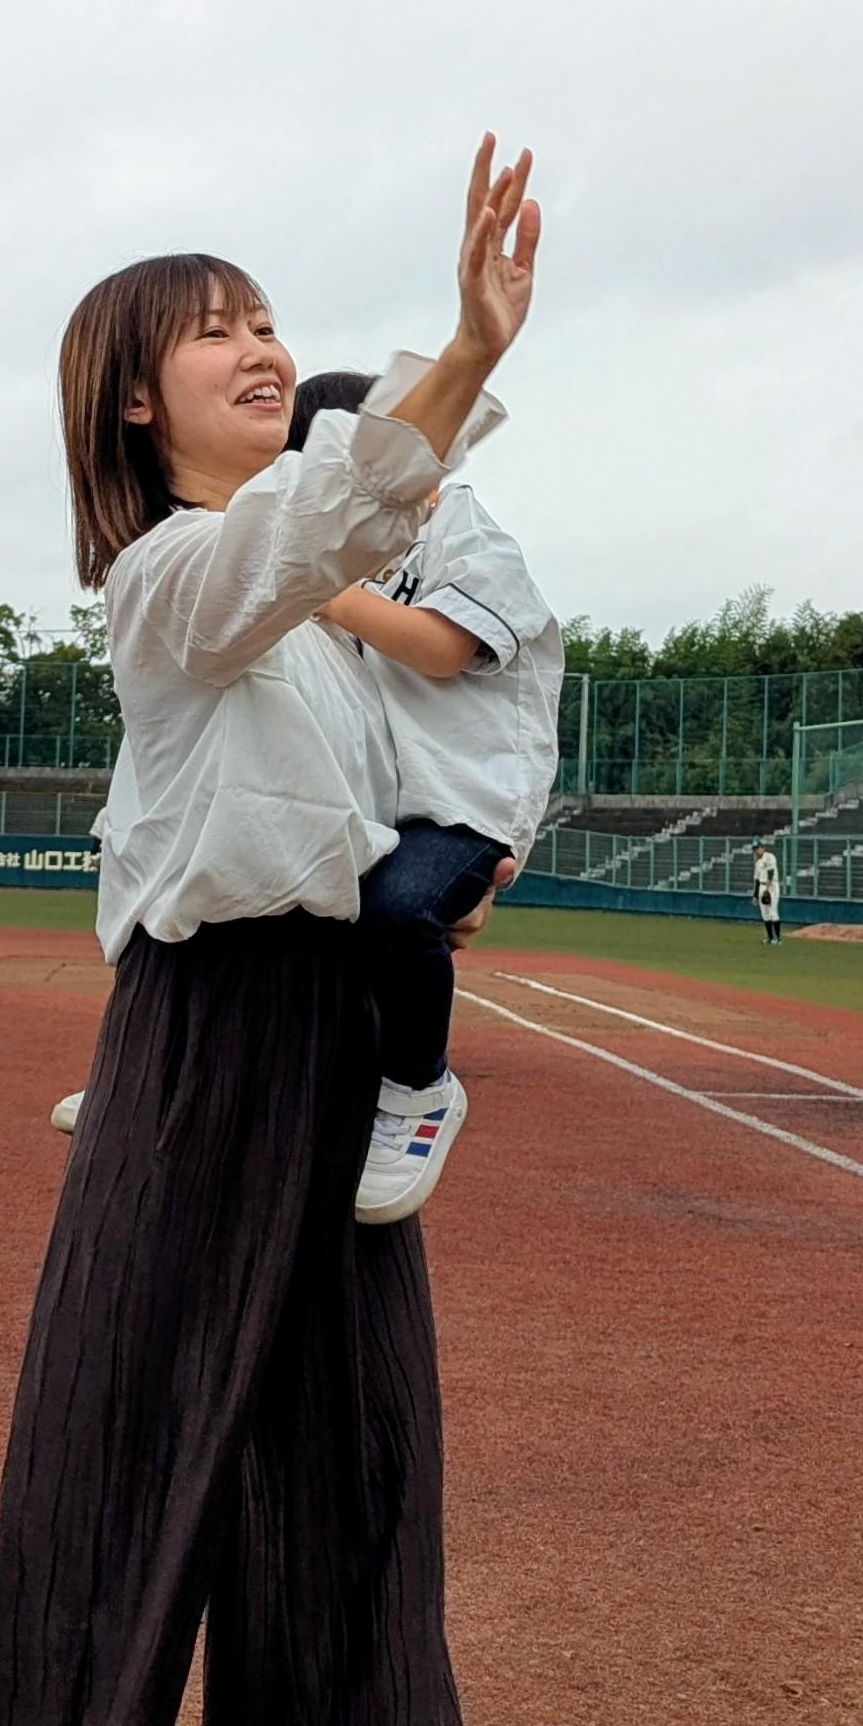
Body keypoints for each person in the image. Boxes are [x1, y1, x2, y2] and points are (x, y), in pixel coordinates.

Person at [0, 138, 537, 1726]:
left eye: (265, 316)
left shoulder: (326, 621)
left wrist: (445, 867)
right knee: (115, 1487)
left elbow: (421, 739)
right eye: (211, 332)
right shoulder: (171, 581)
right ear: (132, 404)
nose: (257, 344)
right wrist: (460, 355)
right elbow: (305, 529)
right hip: (200, 1045)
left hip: (335, 1035)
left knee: (356, 1495)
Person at [284, 370, 563, 1223]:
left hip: (463, 802)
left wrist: (322, 591)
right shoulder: (347, 552)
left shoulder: (460, 527)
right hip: (381, 797)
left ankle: (419, 1089)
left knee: (398, 911)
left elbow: (444, 647)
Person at [751, 837, 781, 945]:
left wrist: (767, 889)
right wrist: (755, 896)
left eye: (757, 848)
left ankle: (777, 939)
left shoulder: (769, 857)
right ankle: (769, 937)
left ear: (763, 848)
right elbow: (757, 880)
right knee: (765, 914)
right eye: (754, 849)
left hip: (772, 885)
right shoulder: (757, 862)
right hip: (762, 886)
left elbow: (771, 873)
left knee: (773, 912)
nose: (756, 850)